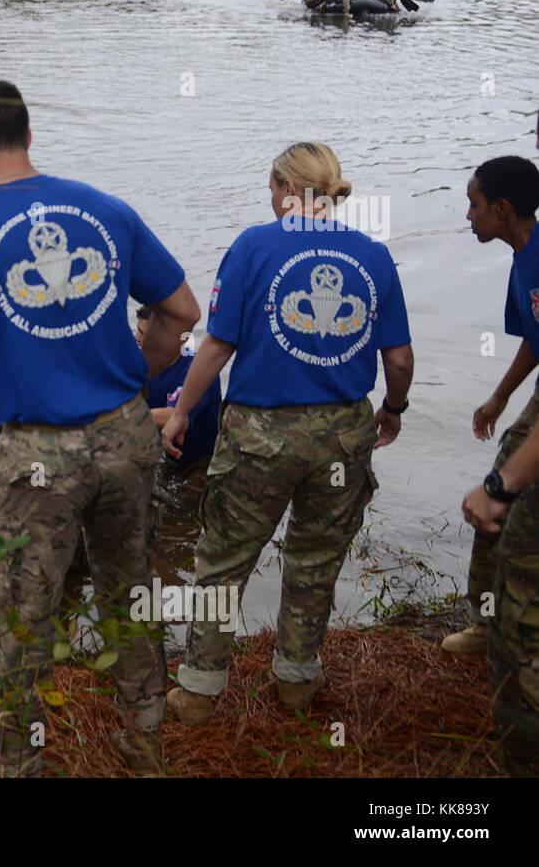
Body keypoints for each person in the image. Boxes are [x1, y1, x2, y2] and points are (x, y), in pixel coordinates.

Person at [0, 80, 201, 777]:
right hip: (128, 435)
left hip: (35, 455)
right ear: (29, 136)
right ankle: (144, 744)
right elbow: (182, 311)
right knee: (129, 593)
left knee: (17, 619)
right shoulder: (108, 211)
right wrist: (133, 377)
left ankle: (15, 764)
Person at [160, 142, 413, 728]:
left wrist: (180, 413)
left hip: (260, 435)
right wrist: (394, 408)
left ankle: (198, 691)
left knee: (224, 560)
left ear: (281, 186)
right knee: (315, 560)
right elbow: (398, 358)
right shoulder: (373, 255)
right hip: (344, 435)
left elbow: (218, 345)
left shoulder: (253, 245)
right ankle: (297, 680)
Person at [460, 155, 539, 777]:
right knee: (505, 464)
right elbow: (537, 339)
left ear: (502, 210)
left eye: (474, 204)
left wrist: (502, 485)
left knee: (507, 494)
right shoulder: (522, 257)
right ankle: (484, 619)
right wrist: (501, 395)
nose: (468, 215)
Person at [137, 305, 220, 464]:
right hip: (166, 456)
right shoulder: (142, 365)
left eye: (142, 333)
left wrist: (121, 419)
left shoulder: (198, 371)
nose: (135, 337)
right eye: (136, 330)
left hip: (202, 463)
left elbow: (173, 415)